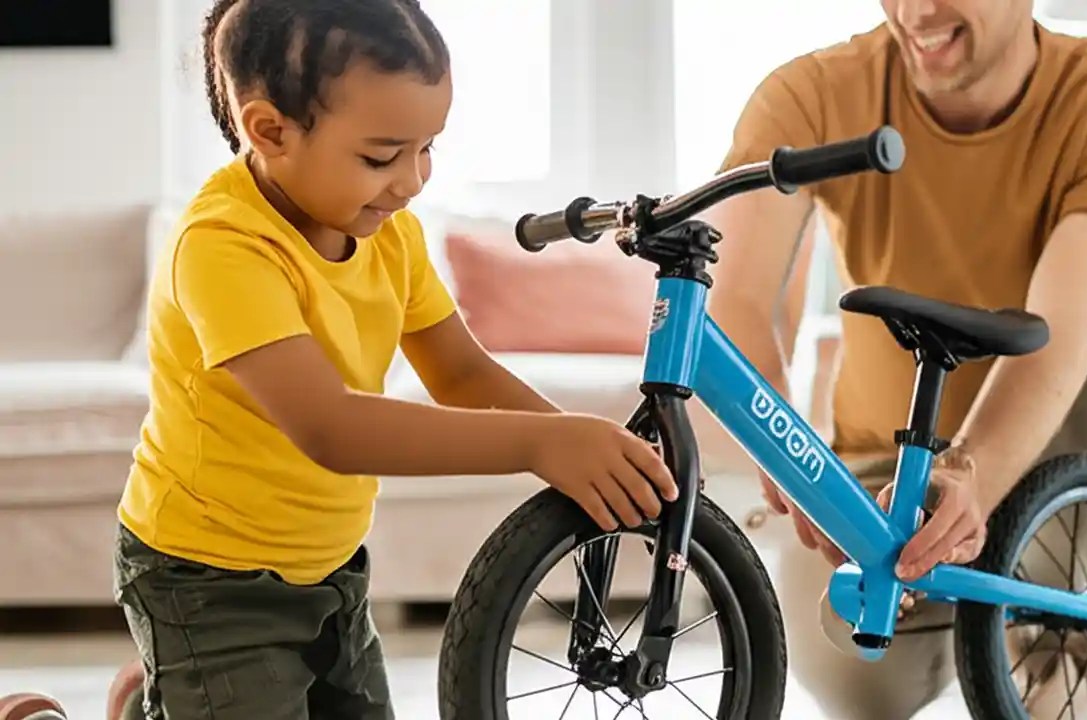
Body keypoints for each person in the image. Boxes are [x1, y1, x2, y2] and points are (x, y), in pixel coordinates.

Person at [109, 1, 677, 718]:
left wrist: (576, 440)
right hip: (205, 578)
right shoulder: (223, 248)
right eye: (381, 157)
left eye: (426, 147)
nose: (412, 181)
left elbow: (460, 372)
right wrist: (539, 442)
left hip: (331, 565)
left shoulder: (389, 233)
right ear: (271, 131)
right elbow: (331, 428)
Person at [700, 1, 1087, 718]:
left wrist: (970, 473)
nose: (918, 10)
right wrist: (785, 449)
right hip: (877, 463)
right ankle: (1035, 633)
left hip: (1059, 430)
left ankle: (1042, 633)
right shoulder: (813, 92)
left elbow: (1059, 336)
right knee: (850, 670)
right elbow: (736, 294)